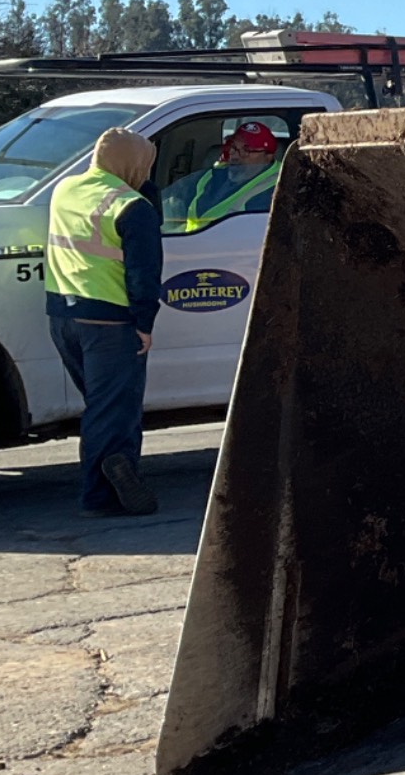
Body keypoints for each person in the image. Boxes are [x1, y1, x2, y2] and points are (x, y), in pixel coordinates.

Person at [44, 126, 162, 517]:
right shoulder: (132, 207)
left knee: (100, 406)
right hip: (111, 322)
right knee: (114, 410)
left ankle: (114, 470)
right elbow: (144, 274)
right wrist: (145, 323)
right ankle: (102, 494)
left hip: (63, 316)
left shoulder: (64, 189)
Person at [166, 119, 281, 232]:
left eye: (247, 150)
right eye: (233, 147)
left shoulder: (275, 190)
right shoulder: (215, 173)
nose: (235, 156)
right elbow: (172, 200)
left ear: (268, 156)